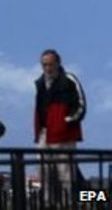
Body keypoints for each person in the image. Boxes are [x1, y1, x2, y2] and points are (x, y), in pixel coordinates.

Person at [34, 49, 86, 203]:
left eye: (50, 64)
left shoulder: (69, 80)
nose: (47, 68)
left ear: (57, 63)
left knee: (65, 171)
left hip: (64, 134)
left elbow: (81, 106)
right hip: (45, 132)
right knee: (43, 168)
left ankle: (68, 202)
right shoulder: (41, 83)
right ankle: (48, 202)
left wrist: (66, 121)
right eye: (44, 65)